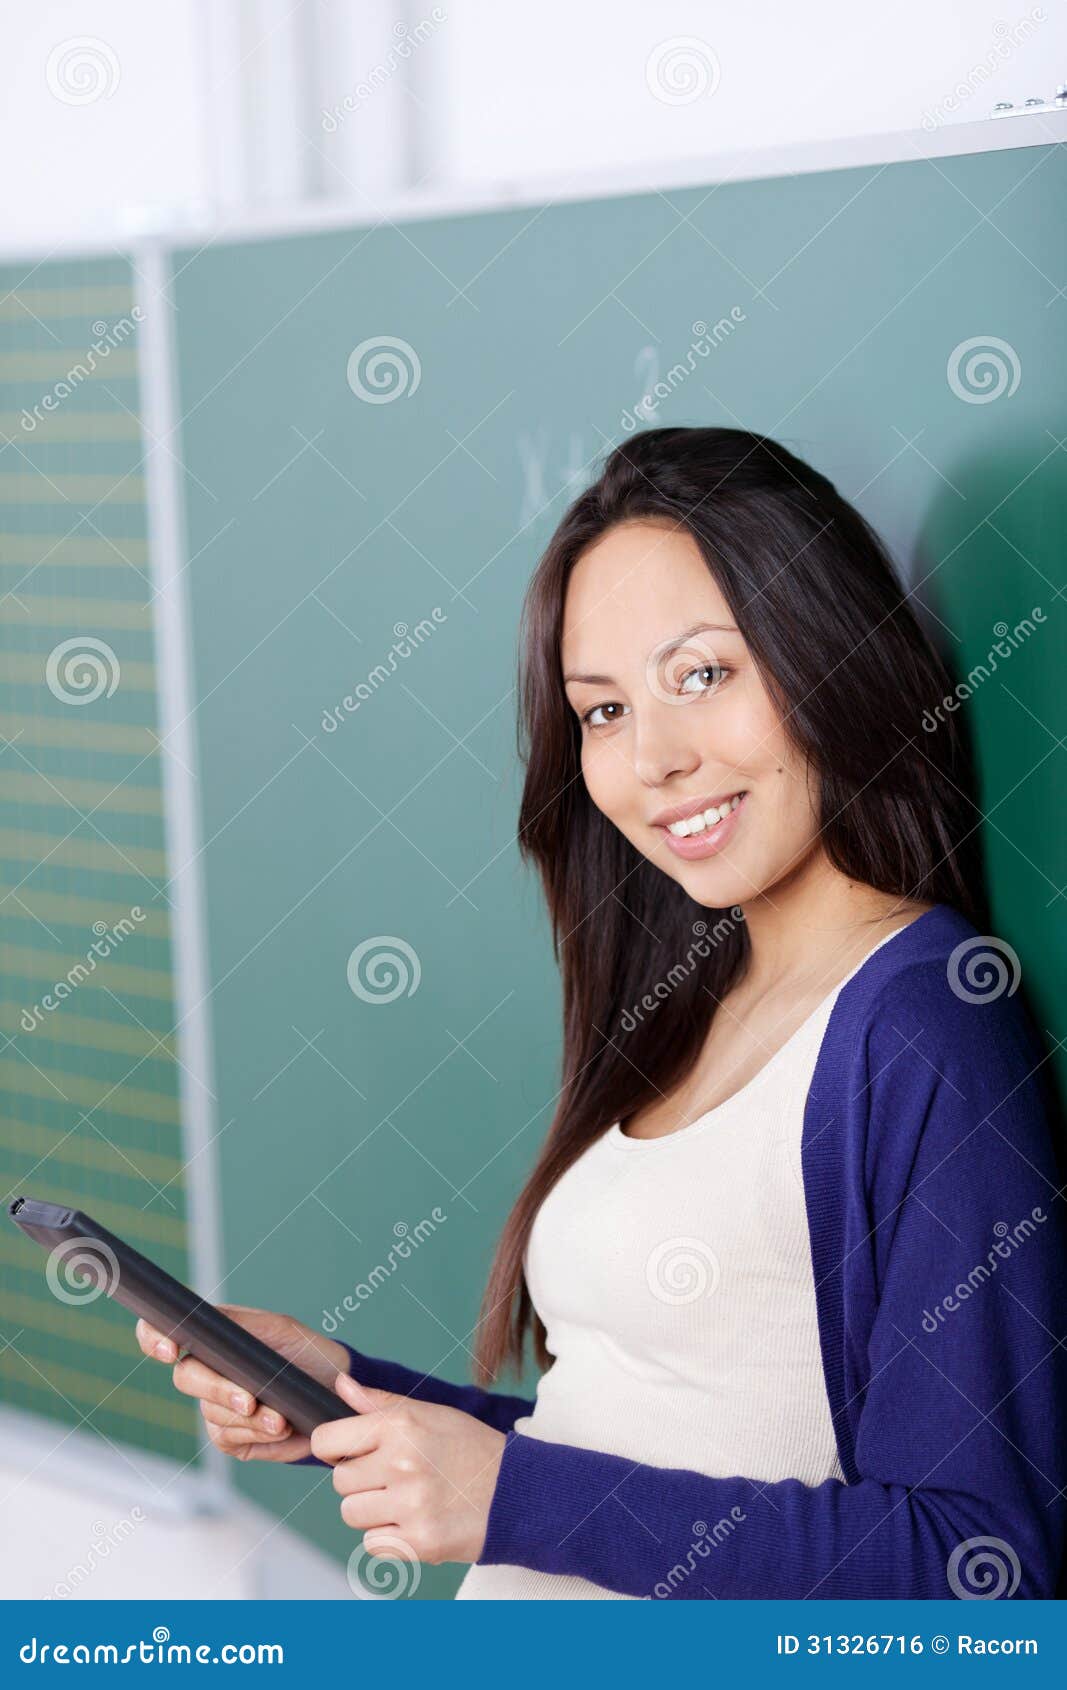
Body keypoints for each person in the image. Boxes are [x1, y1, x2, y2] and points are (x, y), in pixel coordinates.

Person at [136, 428, 1067, 1599]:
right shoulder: (692, 999)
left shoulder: (922, 1021)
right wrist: (357, 1391)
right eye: (603, 711)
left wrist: (509, 1498)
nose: (655, 759)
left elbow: (979, 1568)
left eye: (703, 675)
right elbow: (655, 1446)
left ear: (828, 654)